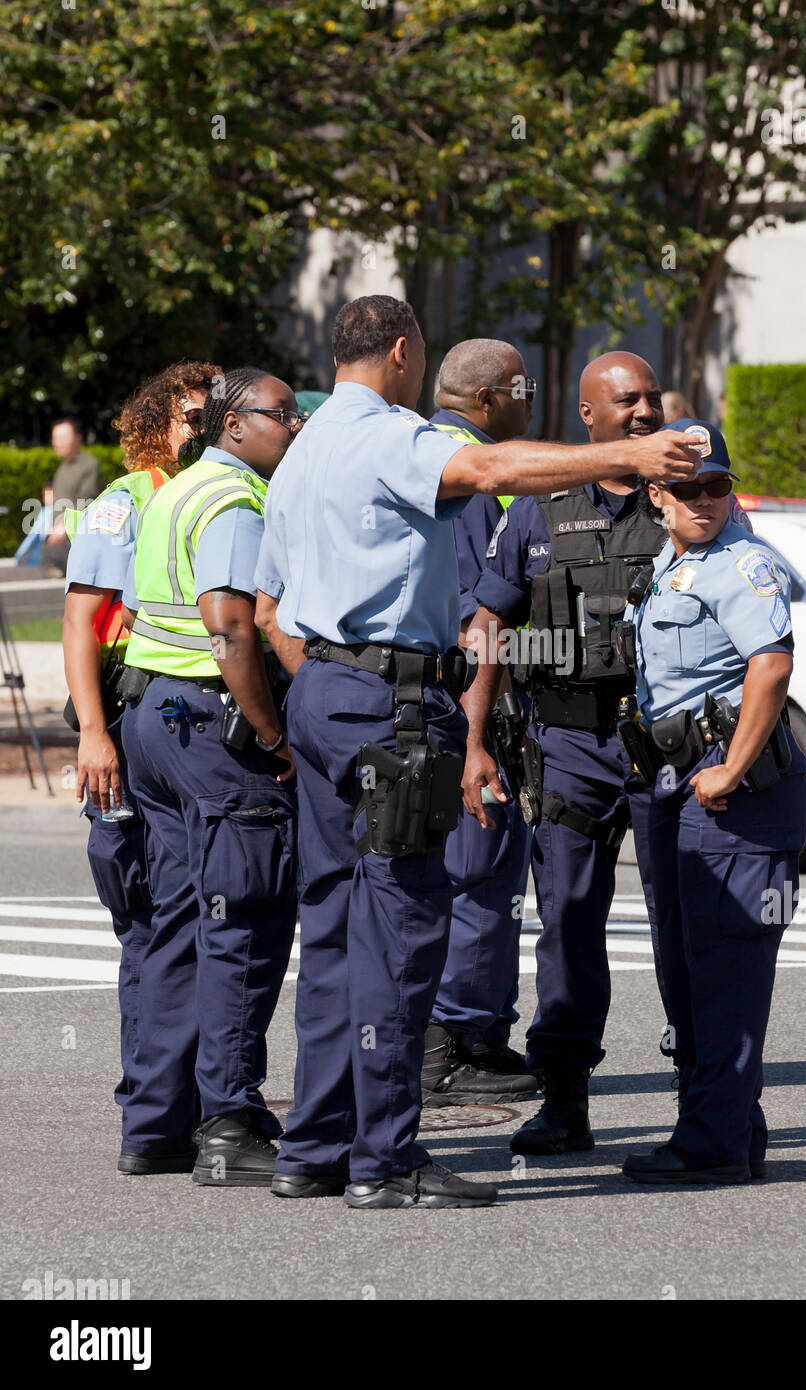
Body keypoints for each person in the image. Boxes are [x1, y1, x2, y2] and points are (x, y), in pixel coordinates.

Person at [254, 295, 703, 1209]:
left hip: (325, 690)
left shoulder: (301, 452)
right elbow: (490, 464)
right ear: (401, 350)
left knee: (334, 929)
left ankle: (315, 1147)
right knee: (404, 930)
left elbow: (269, 604)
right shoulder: (388, 435)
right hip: (391, 701)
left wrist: (329, 686)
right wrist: (625, 457)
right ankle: (383, 1161)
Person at [462, 351, 678, 1157]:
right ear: (588, 414)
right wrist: (475, 741)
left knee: (682, 923)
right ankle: (564, 1101)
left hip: (664, 744)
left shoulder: (690, 496)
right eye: (626, 402)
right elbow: (485, 626)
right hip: (567, 744)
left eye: (651, 399)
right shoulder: (538, 506)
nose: (644, 413)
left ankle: (707, 1099)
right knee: (567, 924)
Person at [118, 368, 301, 1186]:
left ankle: (158, 1124)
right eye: (280, 414)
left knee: (181, 920)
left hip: (155, 718)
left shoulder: (173, 491)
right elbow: (231, 632)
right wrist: (272, 735)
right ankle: (228, 1122)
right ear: (234, 426)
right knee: (247, 922)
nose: (293, 427)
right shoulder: (233, 503)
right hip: (211, 730)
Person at [620, 446, 806, 1185]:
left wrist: (728, 764)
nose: (703, 499)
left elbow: (770, 661)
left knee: (725, 968)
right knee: (688, 963)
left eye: (716, 486)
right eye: (685, 488)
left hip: (734, 788)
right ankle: (727, 1128)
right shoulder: (673, 564)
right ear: (656, 497)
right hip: (677, 780)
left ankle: (714, 1143)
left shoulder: (742, 563)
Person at [62, 360, 220, 1168]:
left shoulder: (222, 490)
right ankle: (152, 1104)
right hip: (128, 726)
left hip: (188, 722)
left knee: (186, 914)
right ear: (156, 422)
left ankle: (171, 1100)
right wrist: (93, 731)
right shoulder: (125, 502)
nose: (206, 428)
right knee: (149, 913)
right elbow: (81, 622)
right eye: (194, 416)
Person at [420, 338, 538, 1106]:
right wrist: (476, 736)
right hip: (467, 704)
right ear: (492, 395)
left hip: (455, 703)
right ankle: (447, 1046)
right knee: (475, 870)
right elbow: (476, 617)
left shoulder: (433, 450)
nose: (533, 397)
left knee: (482, 871)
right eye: (522, 387)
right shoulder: (468, 472)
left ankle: (474, 1034)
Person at [44, 419, 103, 574]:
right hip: (57, 535)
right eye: (55, 438)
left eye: (63, 437)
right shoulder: (62, 467)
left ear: (78, 438)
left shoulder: (90, 465)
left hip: (75, 537)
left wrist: (62, 527)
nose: (58, 443)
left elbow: (86, 500)